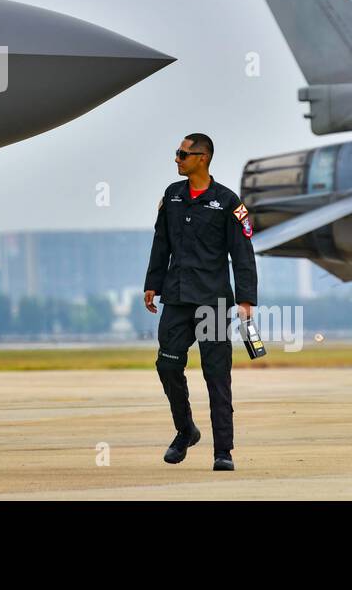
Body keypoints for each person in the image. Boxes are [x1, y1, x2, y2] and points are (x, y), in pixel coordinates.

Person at [143, 132, 257, 472]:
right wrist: (152, 284)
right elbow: (161, 242)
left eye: (182, 154)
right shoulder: (172, 196)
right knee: (167, 365)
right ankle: (185, 430)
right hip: (177, 298)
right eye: (177, 153)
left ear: (202, 158)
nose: (177, 159)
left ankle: (223, 451)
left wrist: (247, 298)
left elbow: (243, 254)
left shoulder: (227, 202)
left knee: (216, 375)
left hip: (213, 302)